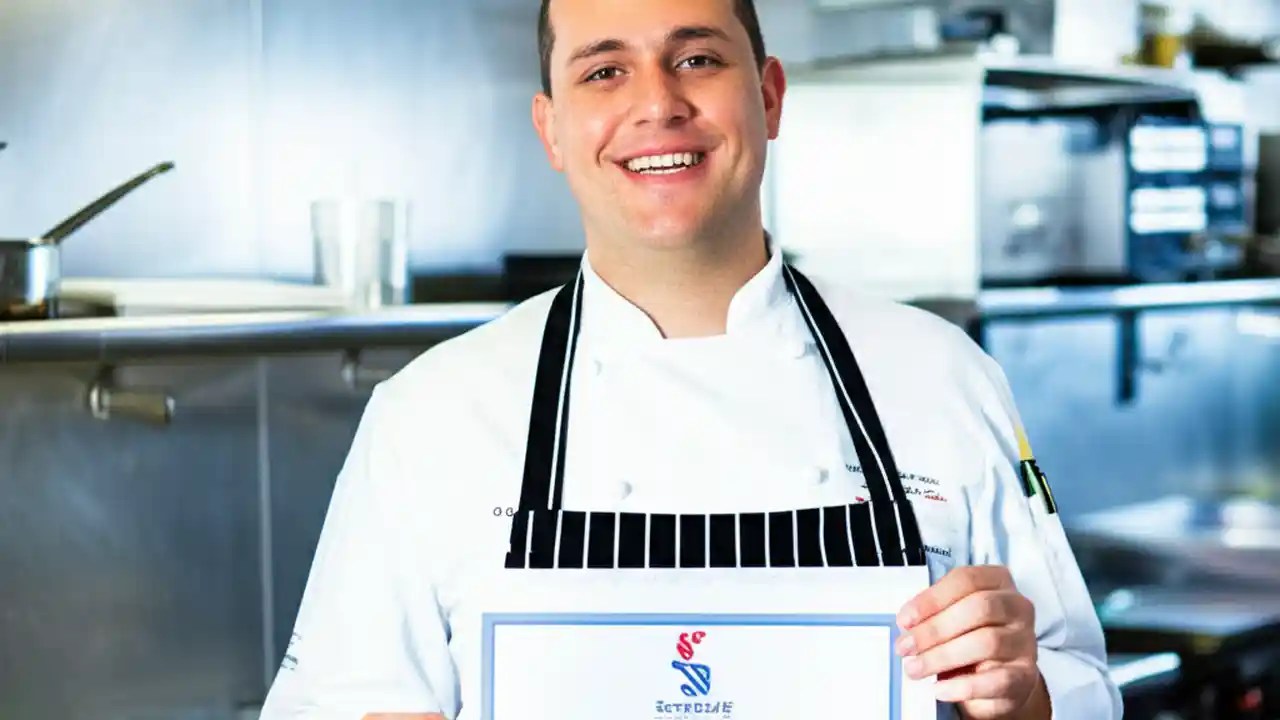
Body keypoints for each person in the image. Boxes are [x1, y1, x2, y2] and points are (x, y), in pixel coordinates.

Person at [260, 0, 1122, 718]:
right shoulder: (431, 412)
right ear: (551, 128)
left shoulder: (942, 376)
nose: (658, 103)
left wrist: (1031, 693)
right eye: (604, 71)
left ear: (771, 96)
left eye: (698, 58)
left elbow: (1087, 686)